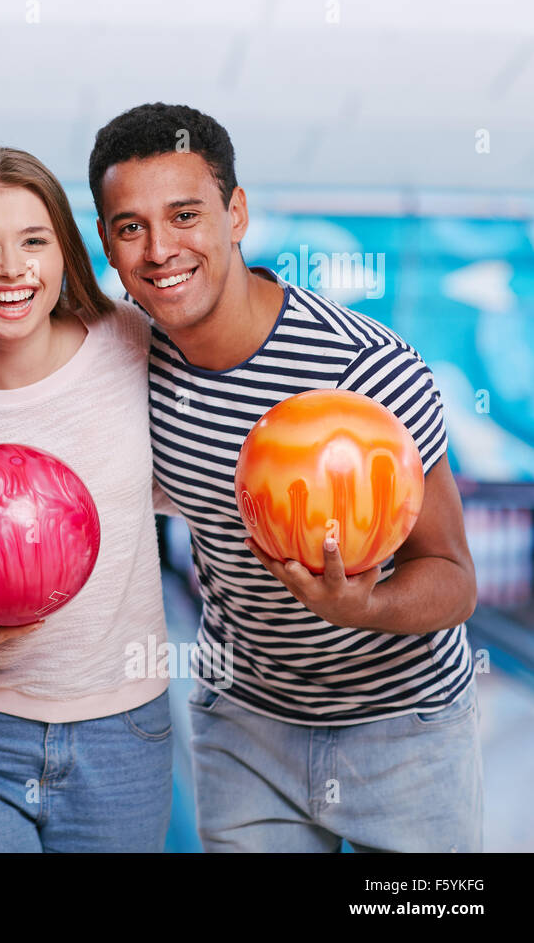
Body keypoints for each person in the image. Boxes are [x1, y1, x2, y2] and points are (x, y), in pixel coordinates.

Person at [88, 102, 481, 852]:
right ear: (108, 243)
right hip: (245, 725)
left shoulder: (369, 371)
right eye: (131, 226)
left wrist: (363, 604)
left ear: (235, 213)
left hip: (405, 730)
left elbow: (455, 577)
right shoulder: (124, 363)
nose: (161, 248)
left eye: (185, 214)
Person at [0, 145, 172, 852]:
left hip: (125, 732)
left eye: (33, 241)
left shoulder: (132, 345)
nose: (12, 268)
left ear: (63, 252)